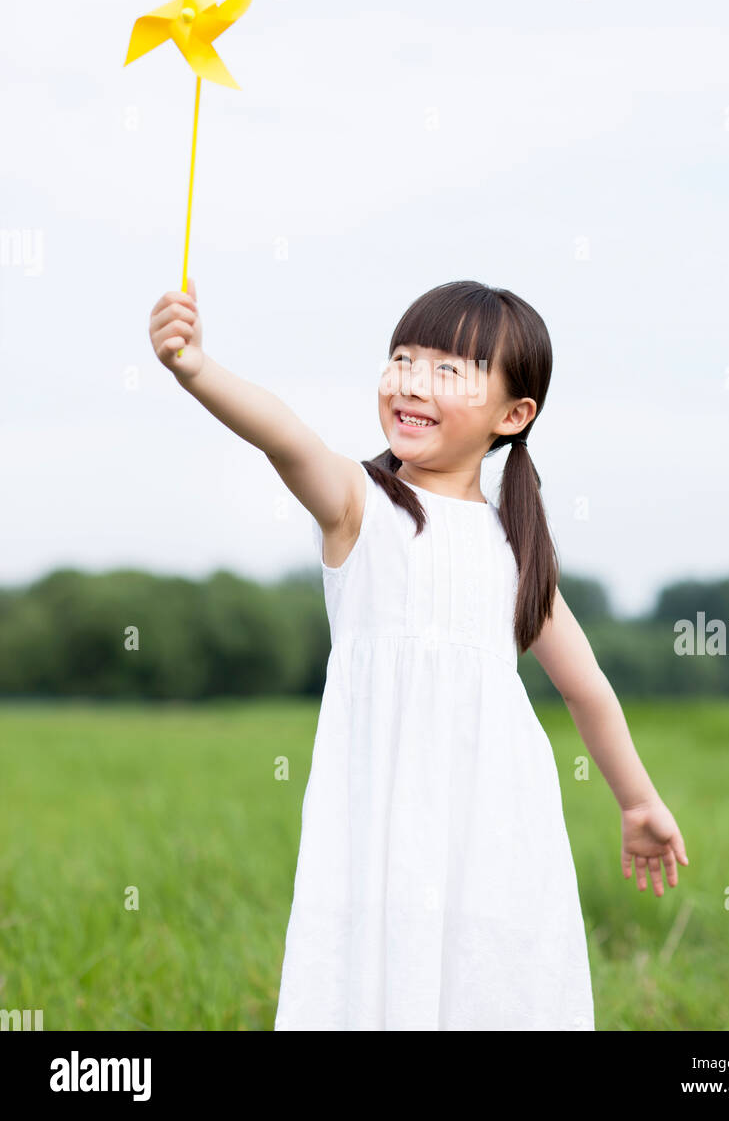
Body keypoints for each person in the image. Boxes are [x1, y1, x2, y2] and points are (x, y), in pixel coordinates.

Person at [149, 276, 689, 1031]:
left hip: (497, 824)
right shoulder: (356, 506)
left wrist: (637, 801)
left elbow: (588, 689)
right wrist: (196, 367)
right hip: (380, 823)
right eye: (402, 358)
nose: (411, 381)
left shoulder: (516, 551)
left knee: (491, 985)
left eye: (447, 369)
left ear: (513, 413)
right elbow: (285, 435)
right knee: (374, 984)